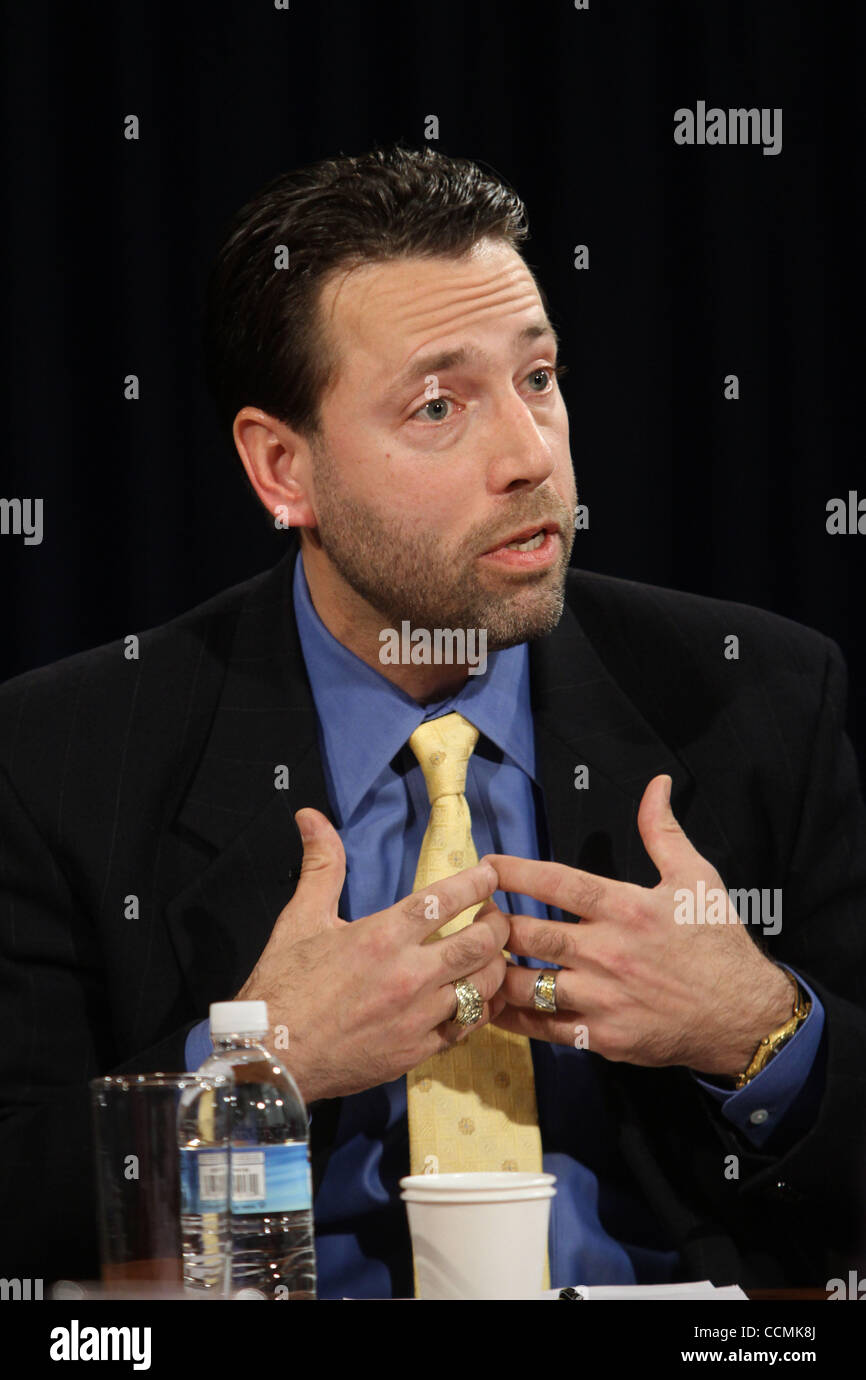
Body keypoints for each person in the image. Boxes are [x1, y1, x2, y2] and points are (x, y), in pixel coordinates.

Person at [1, 145, 864, 1297]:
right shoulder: (64, 751)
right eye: (437, 405)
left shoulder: (755, 693)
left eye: (539, 377)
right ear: (280, 468)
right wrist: (257, 1067)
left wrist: (756, 1030)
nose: (529, 456)